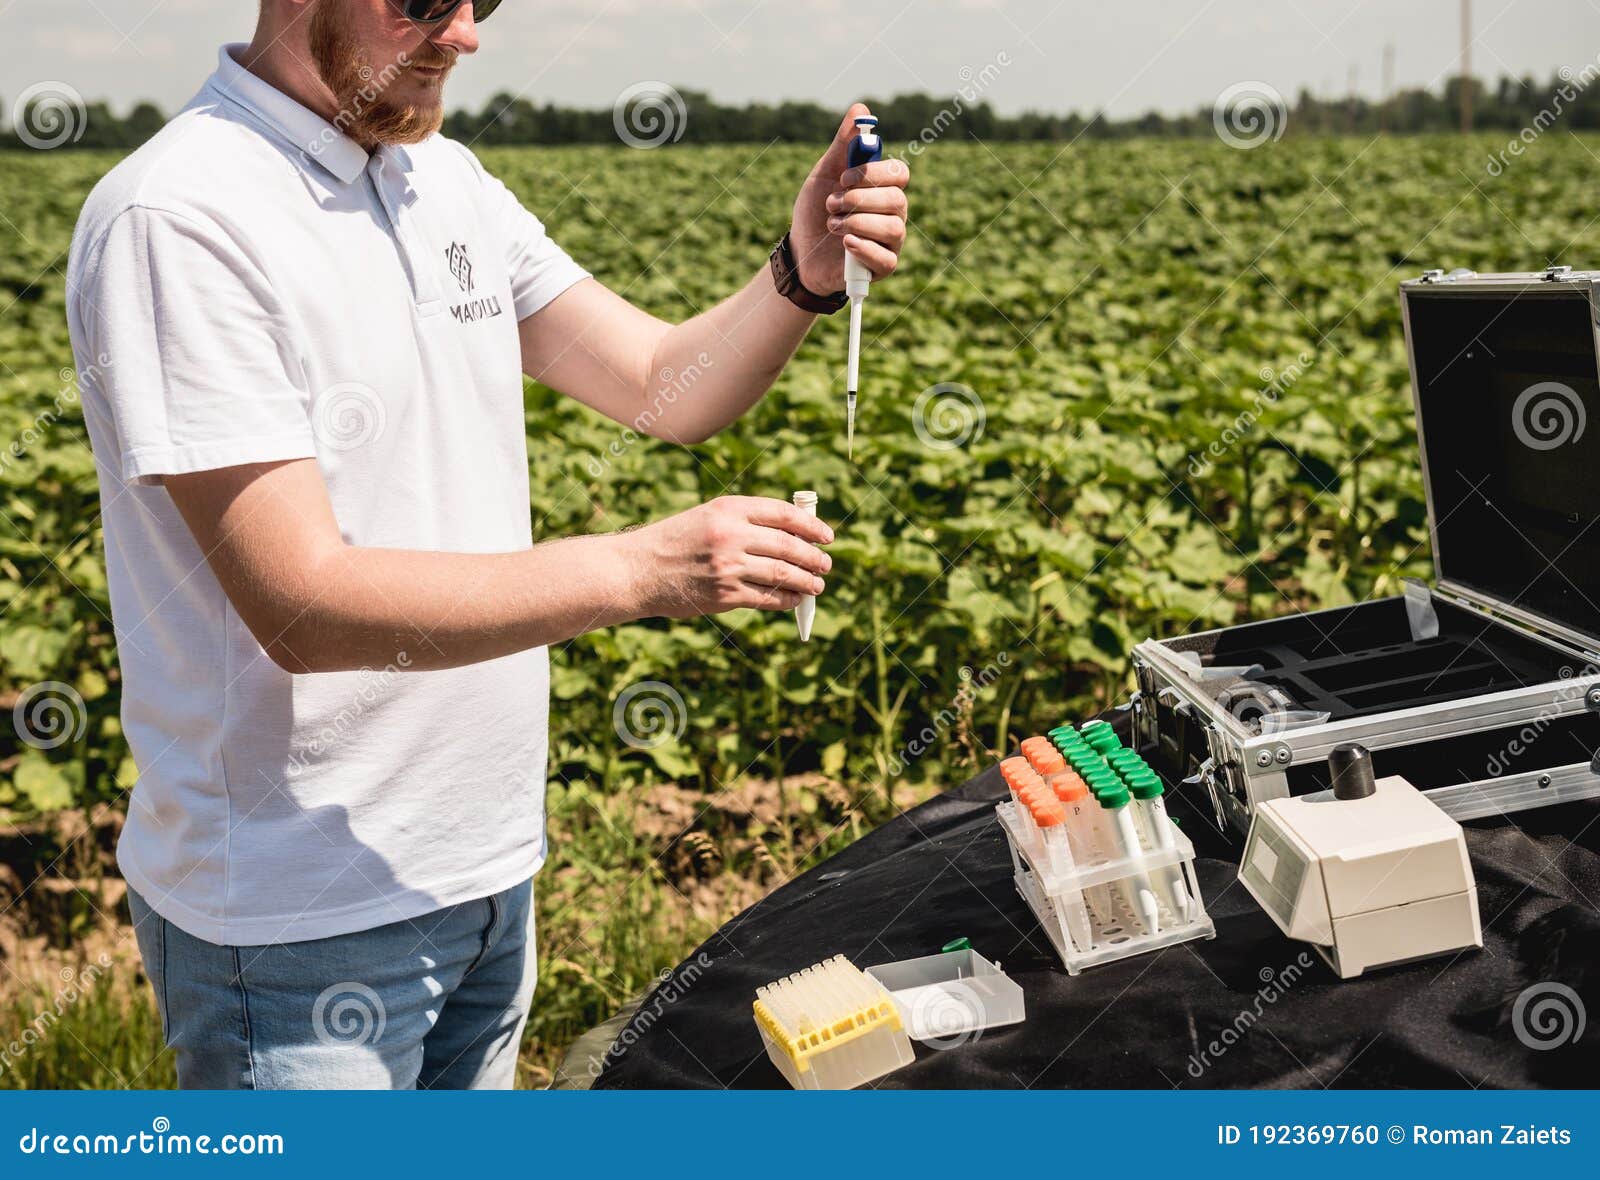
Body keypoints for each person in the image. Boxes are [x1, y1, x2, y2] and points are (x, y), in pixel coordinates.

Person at [64, 0, 910, 1089]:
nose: (462, 35)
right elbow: (302, 605)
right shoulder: (177, 216)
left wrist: (798, 274)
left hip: (485, 876)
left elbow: (661, 385)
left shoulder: (441, 180)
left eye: (485, 0)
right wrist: (643, 570)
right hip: (293, 922)